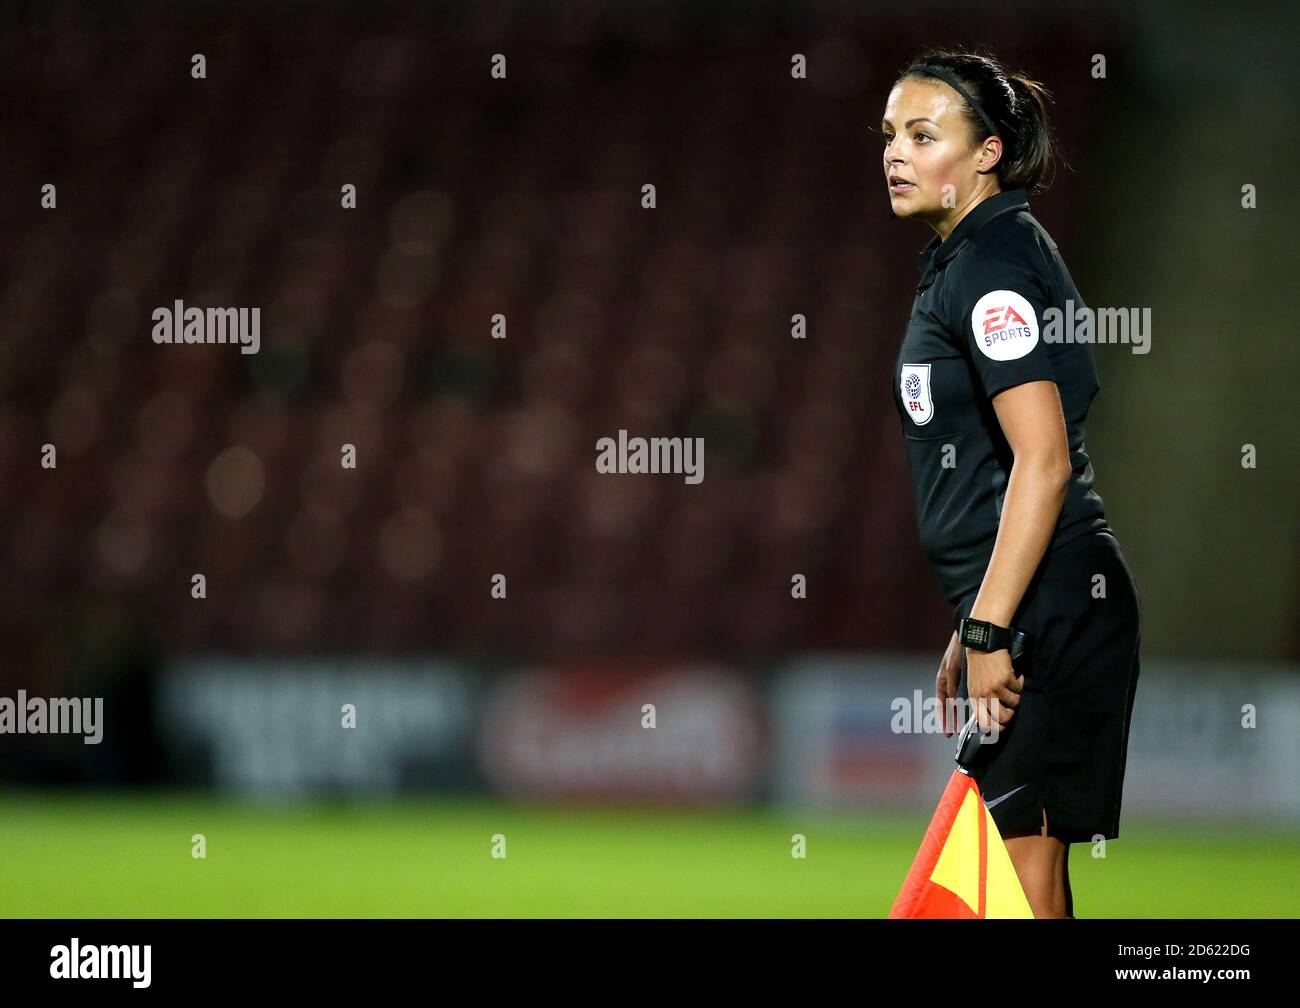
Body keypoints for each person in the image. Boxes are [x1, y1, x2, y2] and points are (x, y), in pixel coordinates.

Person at [882, 50, 1142, 918]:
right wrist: (977, 619)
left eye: (924, 135)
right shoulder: (968, 260)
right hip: (1032, 602)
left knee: (1019, 877)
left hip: (1049, 606)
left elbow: (1045, 460)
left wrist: (993, 622)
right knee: (1023, 875)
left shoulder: (992, 269)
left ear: (987, 152)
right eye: (890, 135)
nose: (896, 152)